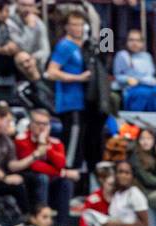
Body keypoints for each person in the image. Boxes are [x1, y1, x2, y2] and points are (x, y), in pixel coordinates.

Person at [14, 109, 79, 226]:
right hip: (29, 180)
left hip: (50, 182)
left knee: (66, 183)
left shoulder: (55, 142)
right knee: (42, 177)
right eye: (38, 123)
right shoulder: (21, 140)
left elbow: (60, 164)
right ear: (31, 124)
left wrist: (46, 147)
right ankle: (41, 220)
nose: (41, 127)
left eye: (45, 124)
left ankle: (62, 225)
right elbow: (35, 166)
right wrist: (63, 173)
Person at [45, 10, 92, 169]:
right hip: (69, 102)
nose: (78, 28)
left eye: (80, 24)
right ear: (66, 27)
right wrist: (78, 78)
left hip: (81, 102)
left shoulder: (83, 46)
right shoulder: (64, 46)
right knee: (71, 146)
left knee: (80, 145)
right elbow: (52, 72)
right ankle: (68, 173)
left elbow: (107, 42)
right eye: (74, 24)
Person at [114, 29, 156, 112]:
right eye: (131, 40)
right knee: (142, 94)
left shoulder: (147, 56)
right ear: (126, 42)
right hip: (134, 87)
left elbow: (151, 73)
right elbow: (118, 76)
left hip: (150, 85)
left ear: (142, 43)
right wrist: (128, 79)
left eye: (138, 40)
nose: (134, 43)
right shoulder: (122, 55)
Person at [7, 0, 50, 69]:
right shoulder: (7, 17)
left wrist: (31, 58)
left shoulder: (38, 23)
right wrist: (30, 28)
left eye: (30, 6)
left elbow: (46, 50)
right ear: (16, 3)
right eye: (23, 5)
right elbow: (24, 48)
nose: (27, 9)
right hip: (9, 64)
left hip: (32, 64)